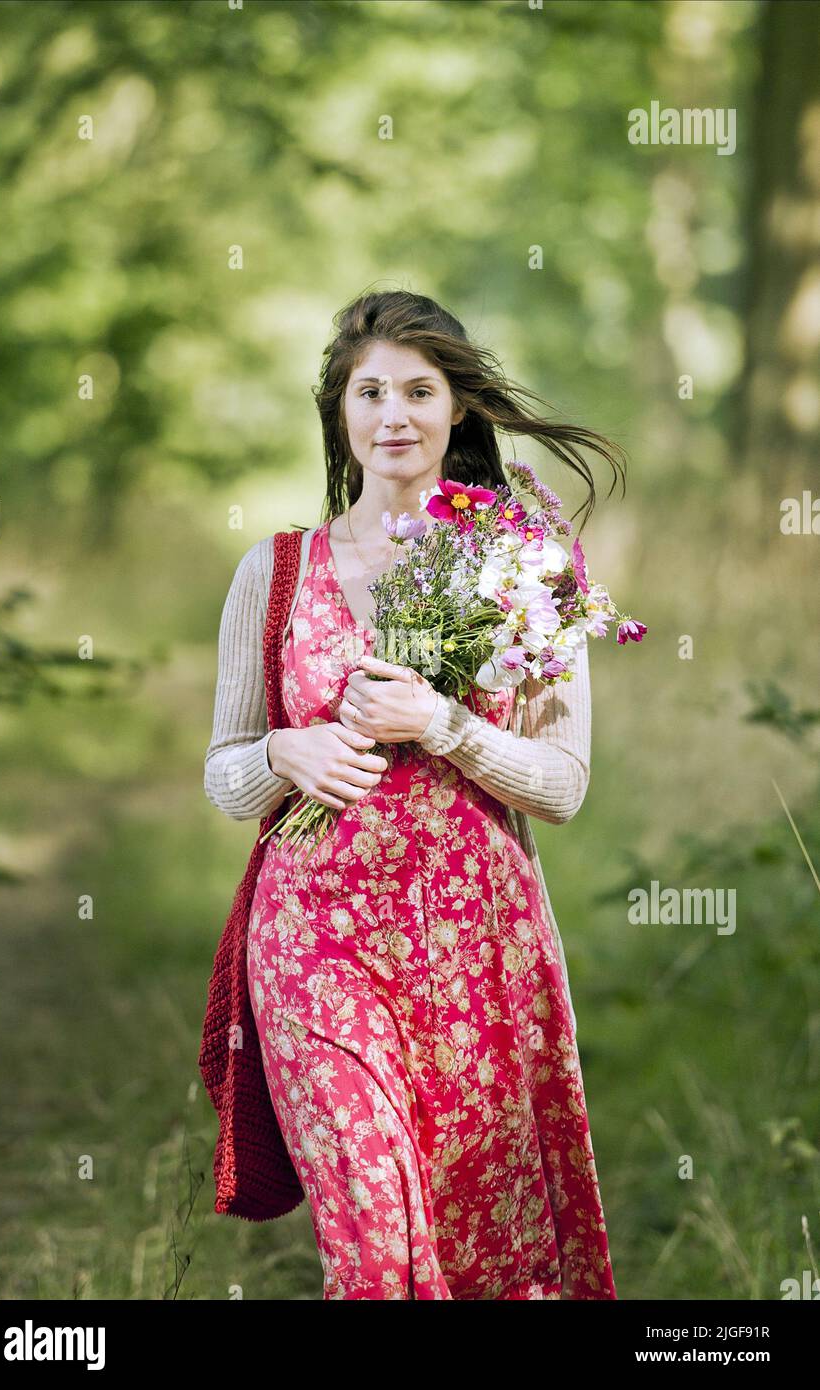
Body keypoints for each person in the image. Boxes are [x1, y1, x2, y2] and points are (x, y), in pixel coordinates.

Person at [203, 289, 625, 1299]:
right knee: (371, 1232)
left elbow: (562, 787)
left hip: (479, 958)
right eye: (370, 391)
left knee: (489, 1246)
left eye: (419, 391)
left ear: (456, 409)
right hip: (315, 946)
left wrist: (441, 725)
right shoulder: (274, 569)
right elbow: (223, 770)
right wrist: (288, 754)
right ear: (338, 413)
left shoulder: (520, 563)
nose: (394, 414)